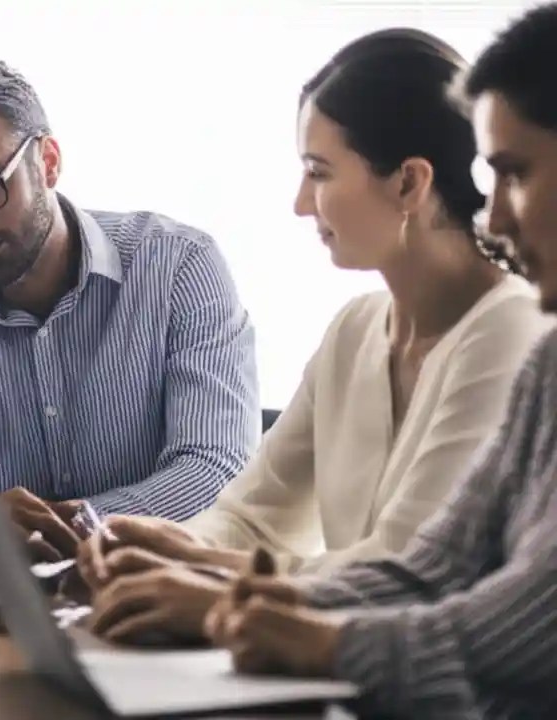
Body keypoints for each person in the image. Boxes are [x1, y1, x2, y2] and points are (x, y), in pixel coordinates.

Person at [77, 29, 551, 645]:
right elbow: (253, 515)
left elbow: (410, 569)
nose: (302, 204)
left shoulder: (515, 334)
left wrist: (213, 580)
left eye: (318, 172)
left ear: (409, 183)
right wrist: (168, 548)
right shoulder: (355, 329)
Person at [201, 6, 557, 718]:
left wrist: (264, 612)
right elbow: (433, 568)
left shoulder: (515, 333)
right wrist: (214, 584)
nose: (498, 218)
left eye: (515, 174)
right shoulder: (548, 362)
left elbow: (517, 623)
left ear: (409, 183)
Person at [0, 55, 260, 560]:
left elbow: (215, 467)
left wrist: (75, 527)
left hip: (158, 592)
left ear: (48, 162)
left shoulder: (178, 265)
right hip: (2, 613)